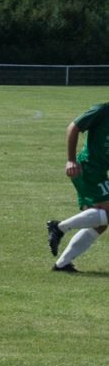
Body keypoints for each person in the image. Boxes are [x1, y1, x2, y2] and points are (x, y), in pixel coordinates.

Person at [46, 102, 109, 273]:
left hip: (100, 172)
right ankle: (58, 227)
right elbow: (73, 127)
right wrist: (70, 160)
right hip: (86, 167)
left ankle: (62, 264)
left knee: (101, 222)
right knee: (107, 213)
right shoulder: (102, 111)